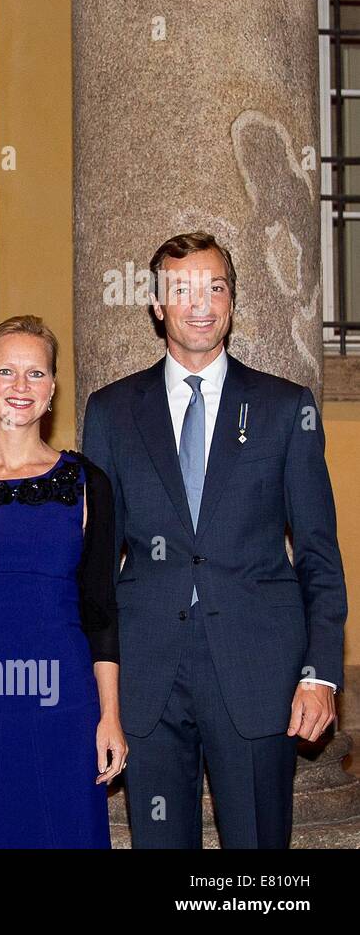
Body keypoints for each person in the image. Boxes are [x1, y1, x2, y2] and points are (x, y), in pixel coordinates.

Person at [83, 232, 346, 849]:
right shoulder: (112, 411)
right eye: (182, 289)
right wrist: (93, 684)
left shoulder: (287, 408)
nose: (200, 304)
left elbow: (318, 554)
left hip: (260, 670)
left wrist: (320, 673)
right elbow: (94, 562)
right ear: (156, 304)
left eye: (215, 287)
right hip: (148, 671)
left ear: (232, 300)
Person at [0, 316, 124, 848]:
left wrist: (110, 717)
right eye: (7, 372)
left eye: (35, 373)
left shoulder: (88, 483)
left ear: (53, 387)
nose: (20, 387)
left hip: (66, 705)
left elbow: (101, 610)